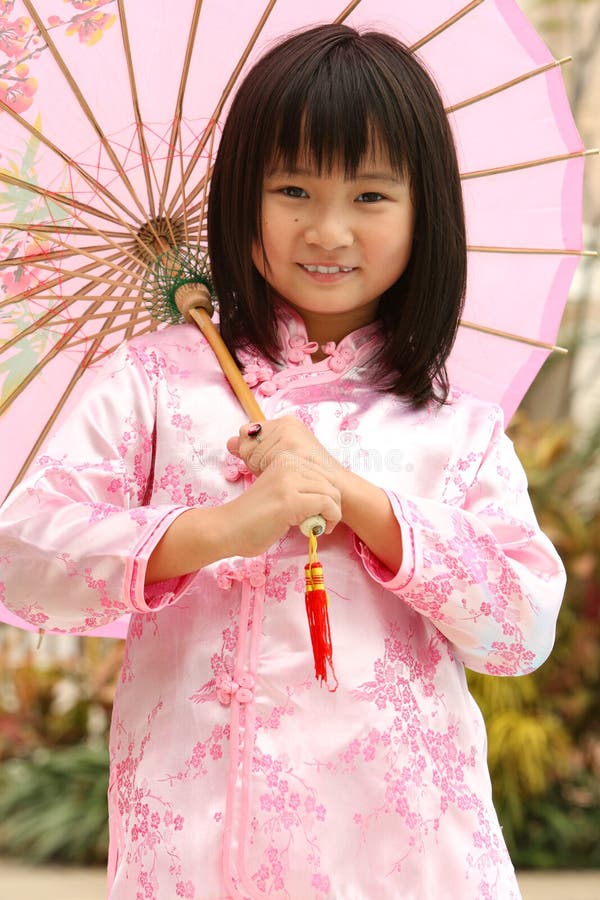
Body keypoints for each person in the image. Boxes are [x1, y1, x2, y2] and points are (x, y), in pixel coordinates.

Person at [0, 24, 564, 900]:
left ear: (425, 211)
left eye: (371, 195)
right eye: (293, 188)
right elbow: (24, 557)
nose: (328, 230)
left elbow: (520, 629)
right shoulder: (152, 385)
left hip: (410, 866)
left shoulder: (455, 429)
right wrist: (221, 528)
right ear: (242, 196)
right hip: (196, 858)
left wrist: (359, 500)